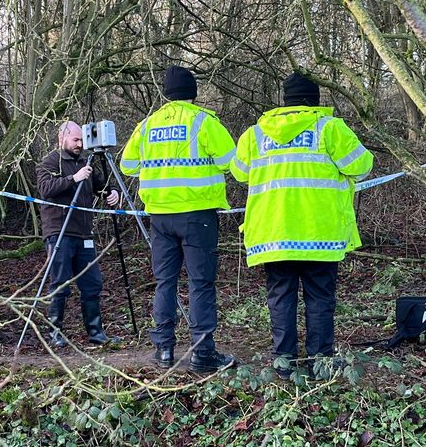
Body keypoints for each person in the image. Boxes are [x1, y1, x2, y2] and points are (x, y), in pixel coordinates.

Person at [229, 72, 373, 379]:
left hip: (273, 233)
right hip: (319, 233)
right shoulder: (330, 129)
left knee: (280, 296)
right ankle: (321, 361)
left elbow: (239, 172)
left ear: (285, 99)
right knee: (320, 297)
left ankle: (284, 362)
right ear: (315, 100)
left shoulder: (255, 135)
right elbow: (362, 167)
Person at [120, 65, 237, 372]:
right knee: (200, 283)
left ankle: (164, 351)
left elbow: (128, 165)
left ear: (166, 93)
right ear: (193, 92)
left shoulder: (148, 125)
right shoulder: (203, 121)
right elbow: (232, 163)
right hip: (198, 215)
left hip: (159, 216)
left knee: (165, 283)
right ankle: (202, 353)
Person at [36, 121, 121, 347]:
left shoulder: (86, 162)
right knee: (60, 283)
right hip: (59, 232)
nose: (80, 145)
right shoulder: (50, 162)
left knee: (92, 283)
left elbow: (101, 186)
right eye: (75, 140)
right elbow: (45, 189)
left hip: (84, 234)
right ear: (62, 138)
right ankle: (55, 333)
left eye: (82, 140)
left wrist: (112, 193)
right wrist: (73, 178)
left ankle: (96, 332)